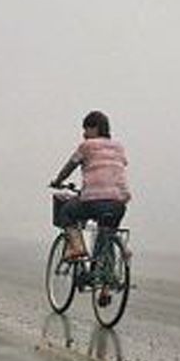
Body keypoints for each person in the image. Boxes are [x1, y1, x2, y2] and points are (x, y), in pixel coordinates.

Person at [50, 110, 131, 263]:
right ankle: (107, 282)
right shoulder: (118, 148)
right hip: (118, 203)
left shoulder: (86, 146)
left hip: (94, 200)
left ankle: (77, 246)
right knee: (106, 236)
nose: (84, 134)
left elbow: (70, 167)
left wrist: (57, 181)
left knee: (66, 212)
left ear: (95, 128)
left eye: (86, 129)